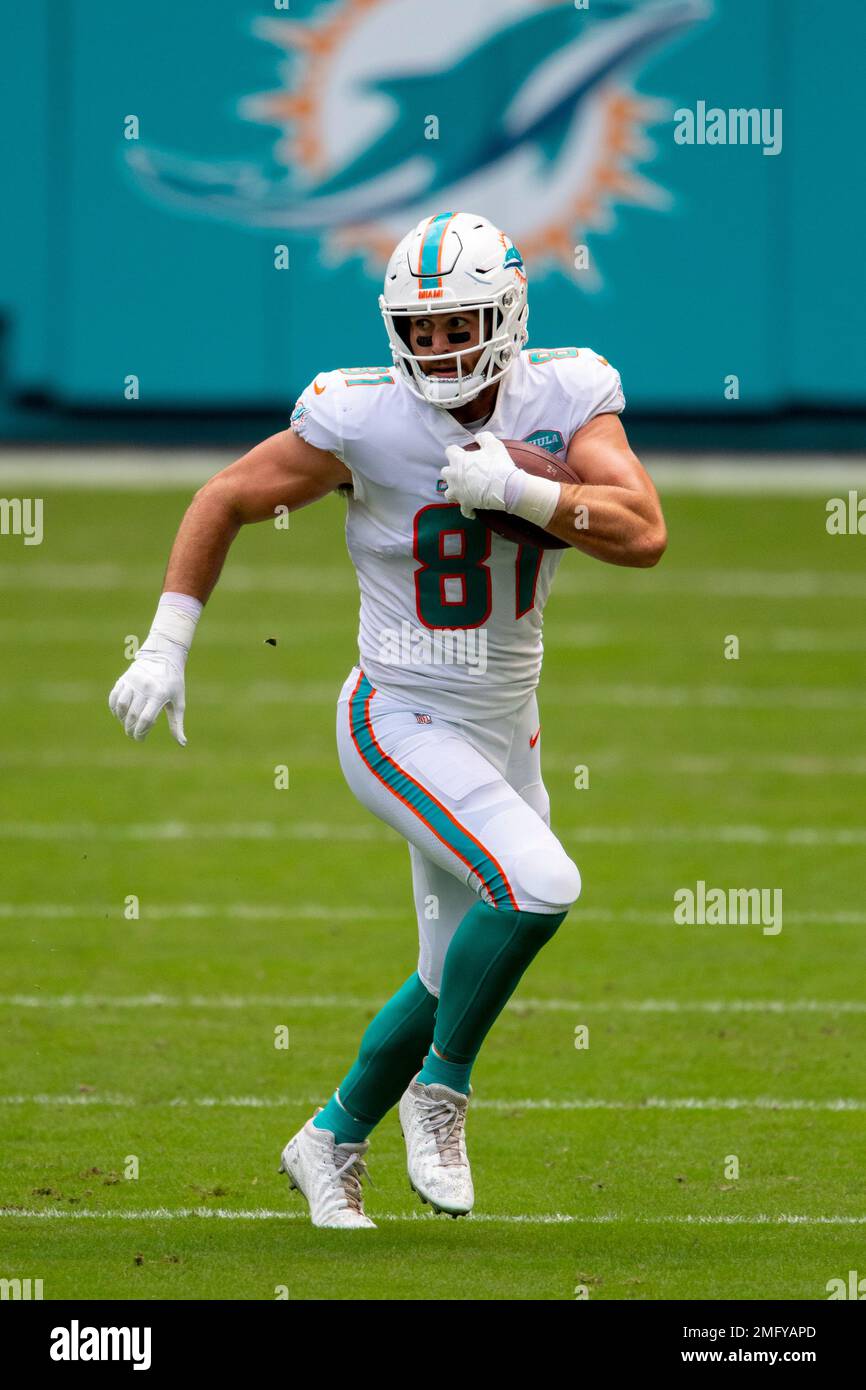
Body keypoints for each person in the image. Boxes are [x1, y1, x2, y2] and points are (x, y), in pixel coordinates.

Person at [108, 211, 666, 1229]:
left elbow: (642, 534)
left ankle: (327, 1137)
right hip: (398, 714)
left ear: (505, 319)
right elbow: (225, 496)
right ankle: (439, 1091)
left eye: (459, 327)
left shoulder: (567, 394)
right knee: (539, 883)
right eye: (420, 329)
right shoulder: (360, 418)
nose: (438, 349)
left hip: (505, 717)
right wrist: (165, 642)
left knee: (443, 962)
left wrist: (521, 490)